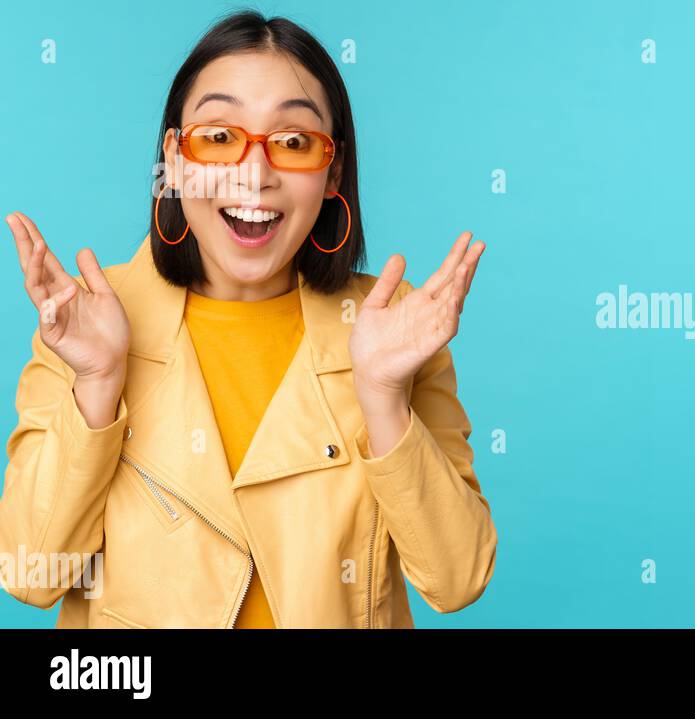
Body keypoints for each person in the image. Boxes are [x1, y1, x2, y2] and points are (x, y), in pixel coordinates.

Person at [0, 10, 496, 628]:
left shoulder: (393, 327)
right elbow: (28, 573)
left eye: (293, 143)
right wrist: (98, 385)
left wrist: (384, 399)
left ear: (332, 170)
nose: (254, 176)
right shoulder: (88, 322)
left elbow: (457, 580)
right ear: (174, 161)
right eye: (218, 137)